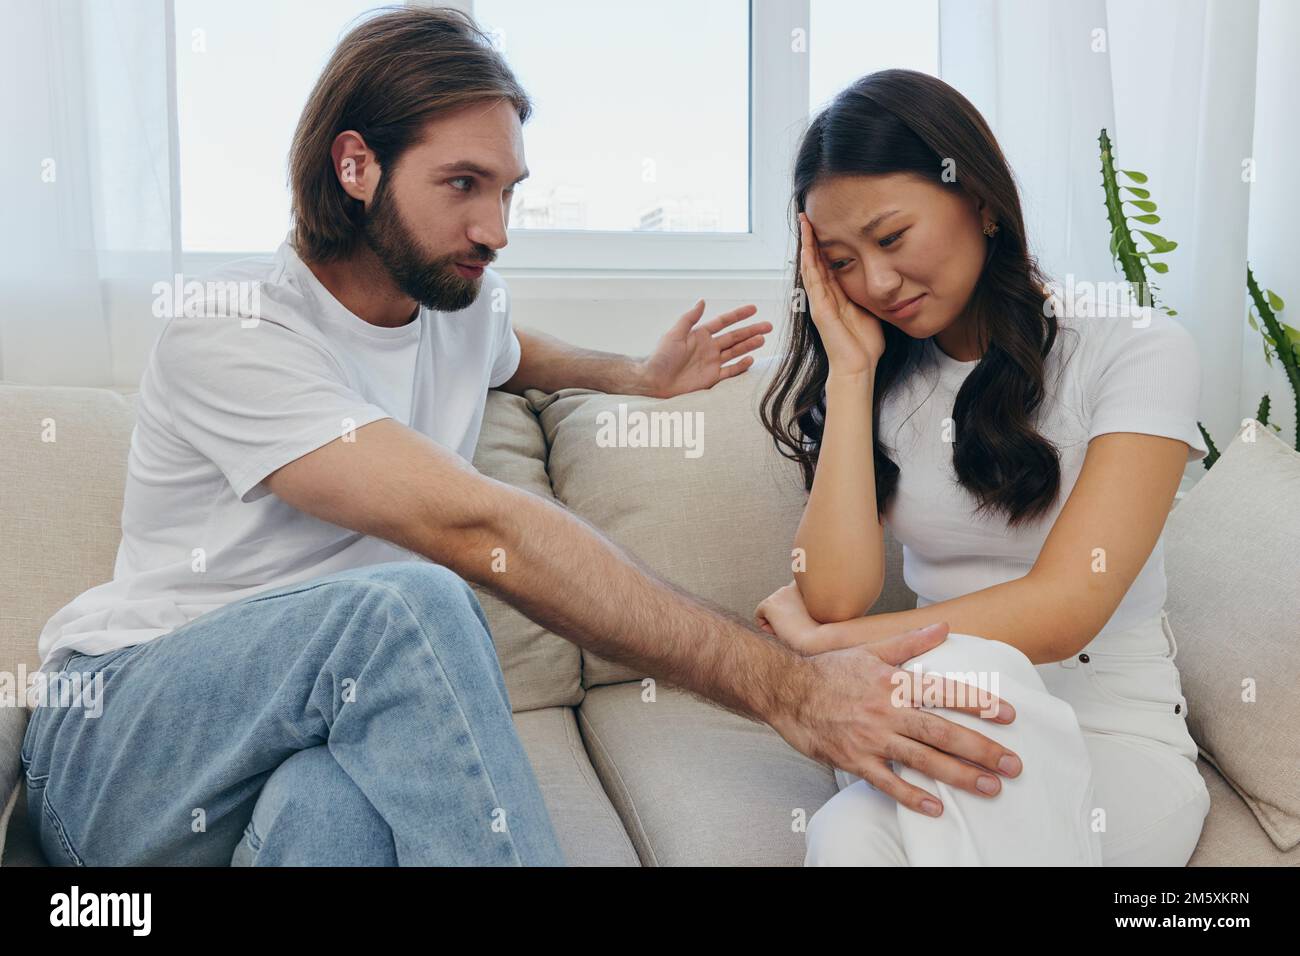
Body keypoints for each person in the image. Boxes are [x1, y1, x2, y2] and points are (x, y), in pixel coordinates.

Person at [20, 11, 1022, 868]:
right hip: (123, 743)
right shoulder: (230, 332)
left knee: (332, 816)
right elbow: (470, 521)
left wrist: (633, 374)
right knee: (408, 601)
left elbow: (510, 349)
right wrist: (787, 686)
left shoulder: (454, 305)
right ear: (356, 163)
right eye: (463, 184)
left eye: (508, 189)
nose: (496, 225)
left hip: (282, 760)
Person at [756, 69, 1211, 866]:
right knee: (845, 836)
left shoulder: (1136, 349)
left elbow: (1066, 609)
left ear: (982, 200)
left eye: (892, 238)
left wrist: (827, 648)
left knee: (969, 677)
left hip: (1112, 746)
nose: (878, 282)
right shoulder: (879, 377)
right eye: (842, 261)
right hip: (923, 724)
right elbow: (830, 592)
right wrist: (852, 376)